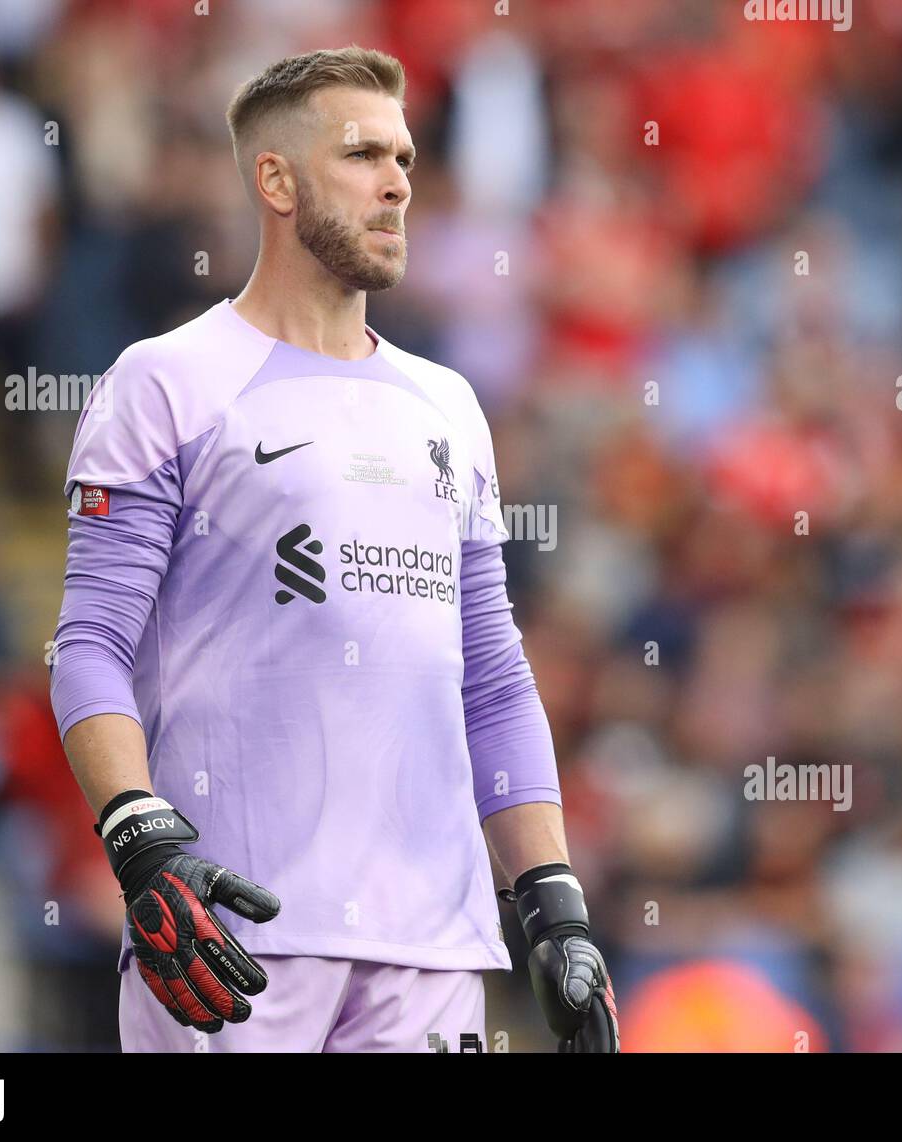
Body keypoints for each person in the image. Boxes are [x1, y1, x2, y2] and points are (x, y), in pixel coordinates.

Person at [48, 45, 618, 1053]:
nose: (399, 180)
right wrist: (139, 838)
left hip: (431, 946)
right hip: (230, 934)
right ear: (275, 180)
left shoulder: (450, 404)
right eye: (362, 154)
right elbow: (90, 641)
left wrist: (553, 900)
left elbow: (487, 675)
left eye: (403, 155)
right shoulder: (167, 381)